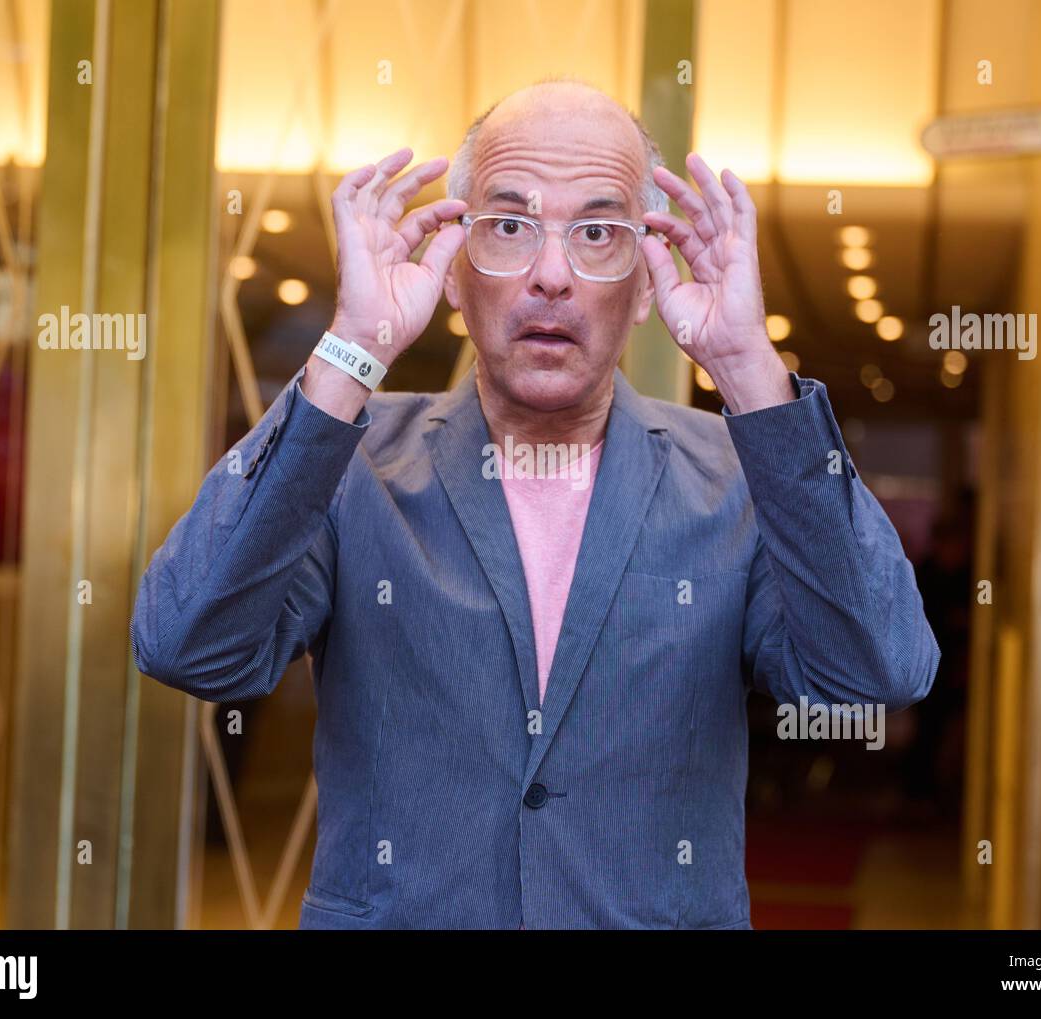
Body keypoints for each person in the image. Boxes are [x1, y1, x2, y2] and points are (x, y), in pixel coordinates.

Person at [130, 79, 939, 930]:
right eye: (509, 226)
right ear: (452, 271)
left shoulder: (739, 479)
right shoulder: (353, 465)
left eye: (597, 232)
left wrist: (747, 370)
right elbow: (188, 644)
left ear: (642, 290)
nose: (552, 275)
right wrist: (349, 354)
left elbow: (874, 670)